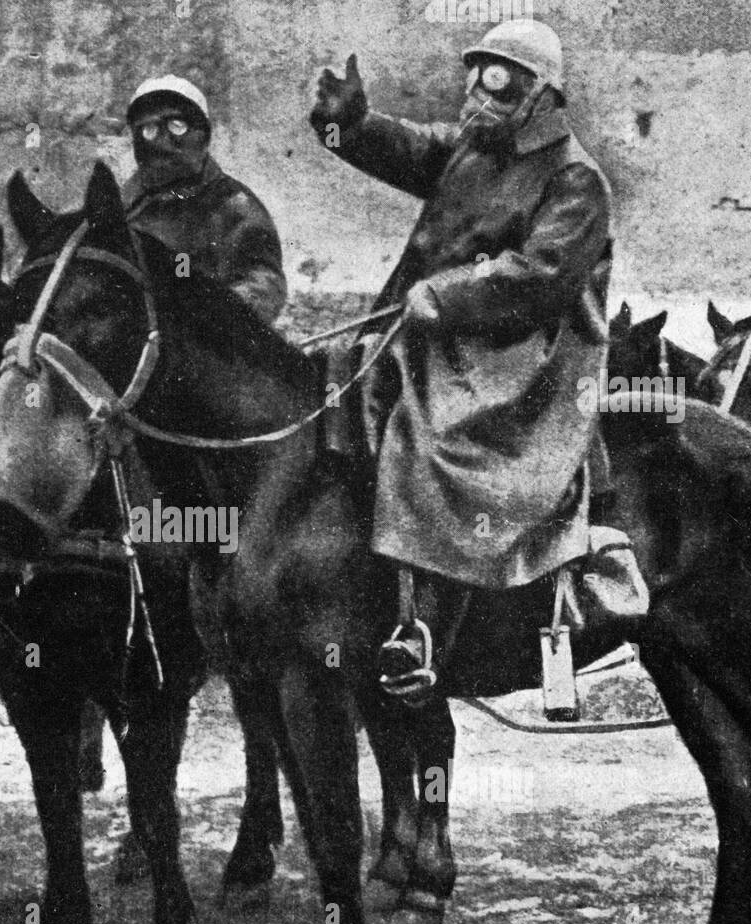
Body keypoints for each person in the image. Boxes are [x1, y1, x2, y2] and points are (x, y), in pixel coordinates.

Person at [310, 19, 631, 702]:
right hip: (438, 331)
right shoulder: (475, 150)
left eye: (495, 82)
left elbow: (538, 277)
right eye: (474, 79)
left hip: (524, 356)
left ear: (538, 94)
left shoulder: (577, 179)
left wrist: (446, 295)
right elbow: (408, 149)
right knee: (341, 377)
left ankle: (421, 629)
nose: (474, 98)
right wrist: (350, 124)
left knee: (437, 434)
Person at [123, 75, 287, 323]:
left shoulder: (234, 207)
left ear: (204, 135)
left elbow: (263, 284)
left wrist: (206, 316)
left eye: (177, 125)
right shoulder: (125, 207)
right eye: (149, 129)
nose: (162, 141)